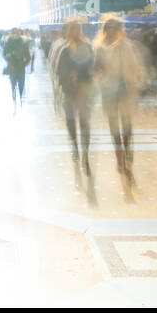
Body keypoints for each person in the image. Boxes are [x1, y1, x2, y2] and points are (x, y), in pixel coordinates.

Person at [93, 13, 144, 200]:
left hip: (125, 91)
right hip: (108, 93)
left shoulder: (126, 45)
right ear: (105, 29)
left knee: (127, 132)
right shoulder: (98, 48)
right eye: (109, 27)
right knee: (115, 133)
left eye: (115, 27)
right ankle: (120, 162)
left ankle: (128, 162)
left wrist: (136, 80)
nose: (112, 31)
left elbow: (135, 66)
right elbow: (95, 68)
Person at [53, 17, 96, 200]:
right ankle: (75, 149)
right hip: (70, 95)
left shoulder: (88, 48)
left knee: (85, 125)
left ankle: (84, 153)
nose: (74, 32)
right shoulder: (63, 50)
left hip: (84, 94)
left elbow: (93, 69)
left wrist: (83, 80)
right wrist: (70, 83)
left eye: (76, 29)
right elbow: (58, 72)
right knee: (72, 125)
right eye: (71, 29)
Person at [2, 28, 32, 107]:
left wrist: (24, 64)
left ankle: (21, 97)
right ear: (11, 34)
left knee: (21, 84)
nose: (15, 34)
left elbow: (28, 57)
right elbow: (4, 54)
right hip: (12, 67)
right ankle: (14, 98)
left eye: (17, 33)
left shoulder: (23, 43)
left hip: (21, 67)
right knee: (13, 84)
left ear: (19, 34)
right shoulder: (8, 43)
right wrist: (9, 60)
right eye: (14, 33)